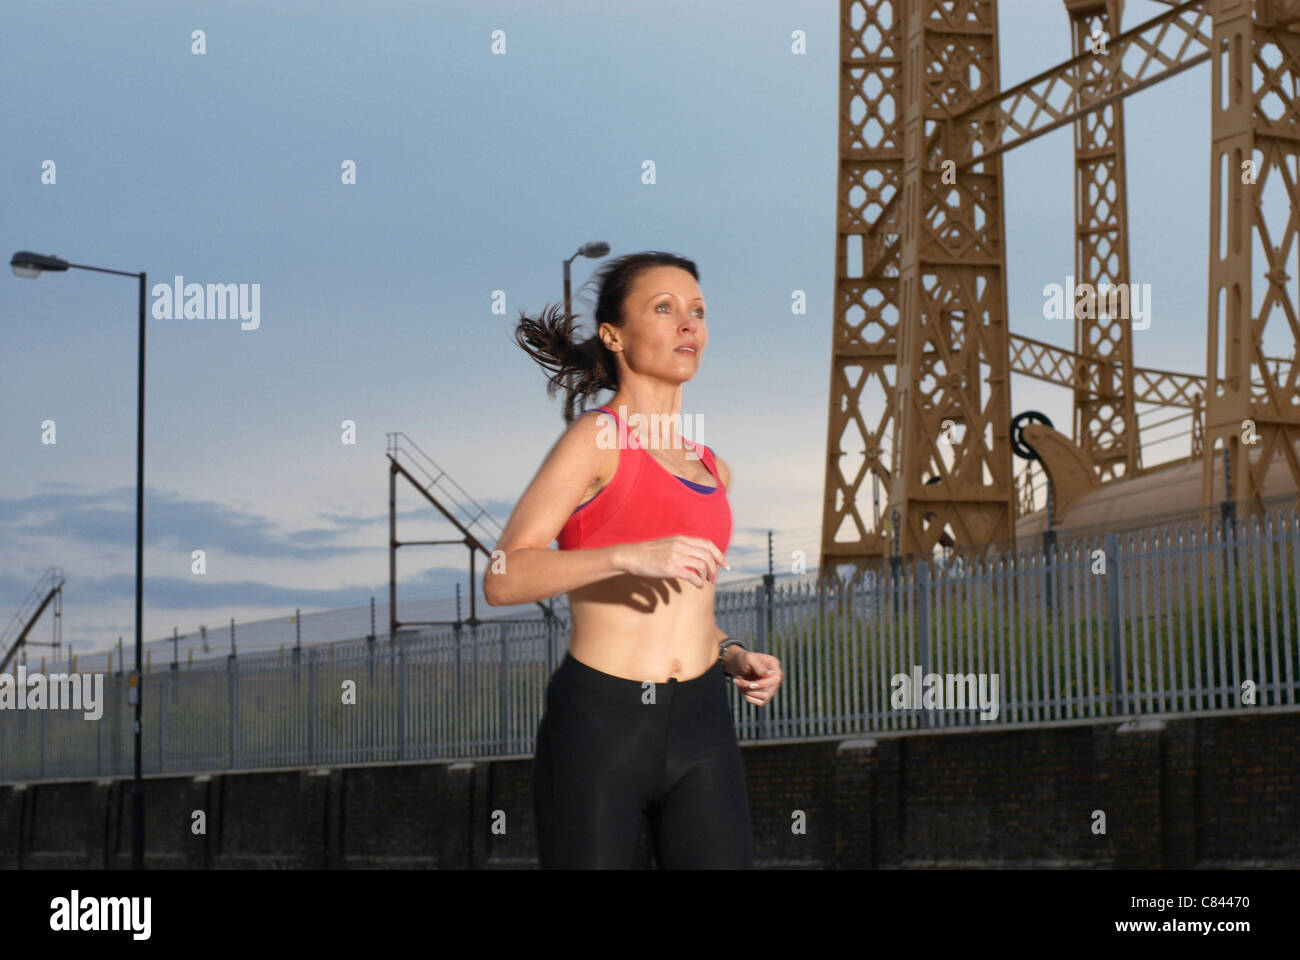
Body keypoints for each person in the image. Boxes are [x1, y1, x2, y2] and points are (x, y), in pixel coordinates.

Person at [484, 251, 783, 869]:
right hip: (601, 725)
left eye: (697, 312)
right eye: (665, 309)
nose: (688, 326)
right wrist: (628, 556)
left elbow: (690, 614)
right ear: (614, 336)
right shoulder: (597, 440)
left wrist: (734, 656)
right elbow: (504, 576)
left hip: (702, 721)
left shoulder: (712, 468)